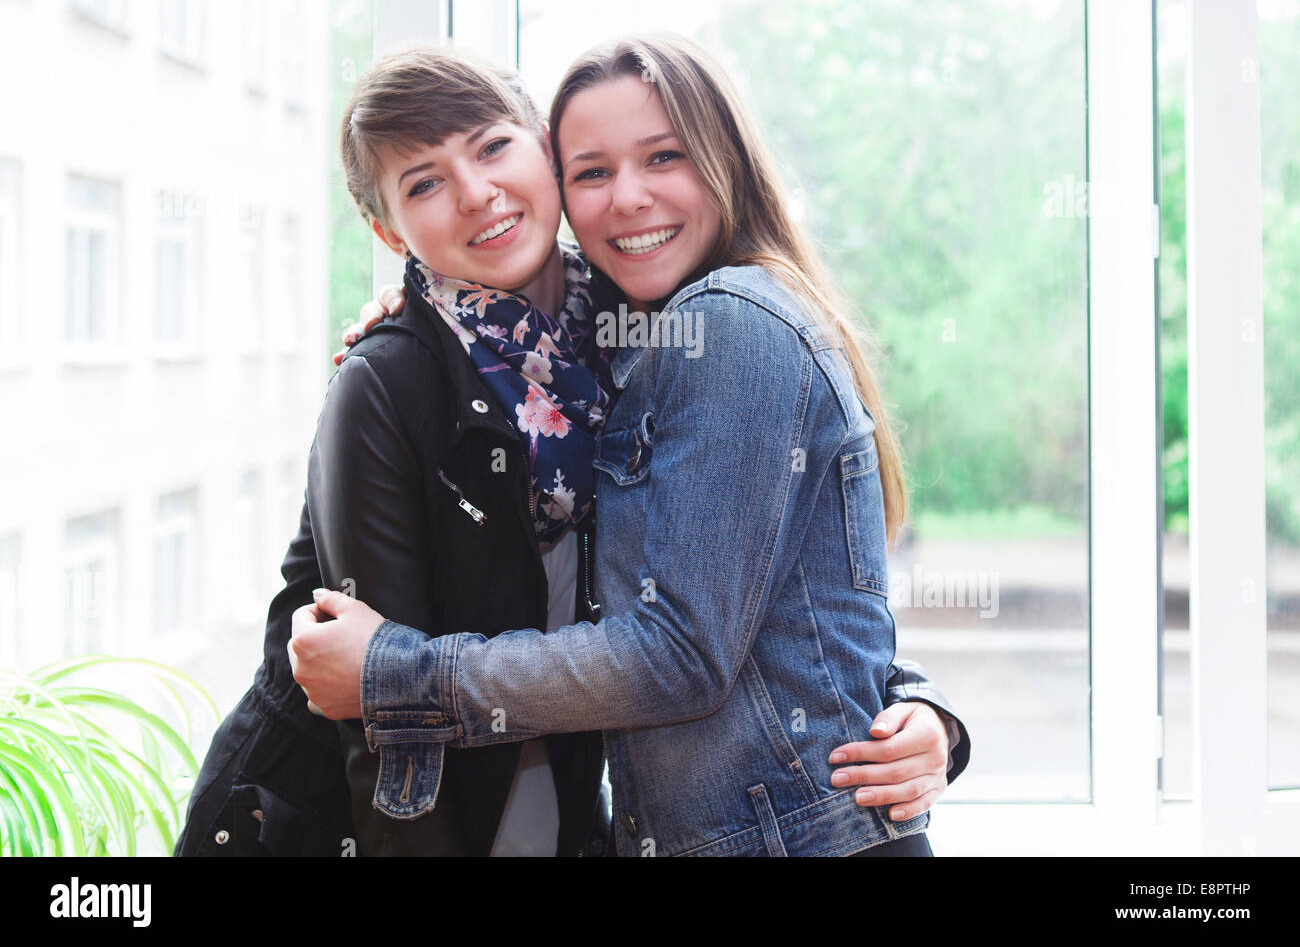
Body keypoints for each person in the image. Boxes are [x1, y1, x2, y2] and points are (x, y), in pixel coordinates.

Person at [175, 43, 968, 858]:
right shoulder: (393, 377)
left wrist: (919, 705)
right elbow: (376, 742)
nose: (476, 192)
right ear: (389, 230)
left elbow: (731, 613)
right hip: (328, 824)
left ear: (540, 160)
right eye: (424, 183)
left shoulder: (663, 332)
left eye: (491, 147)